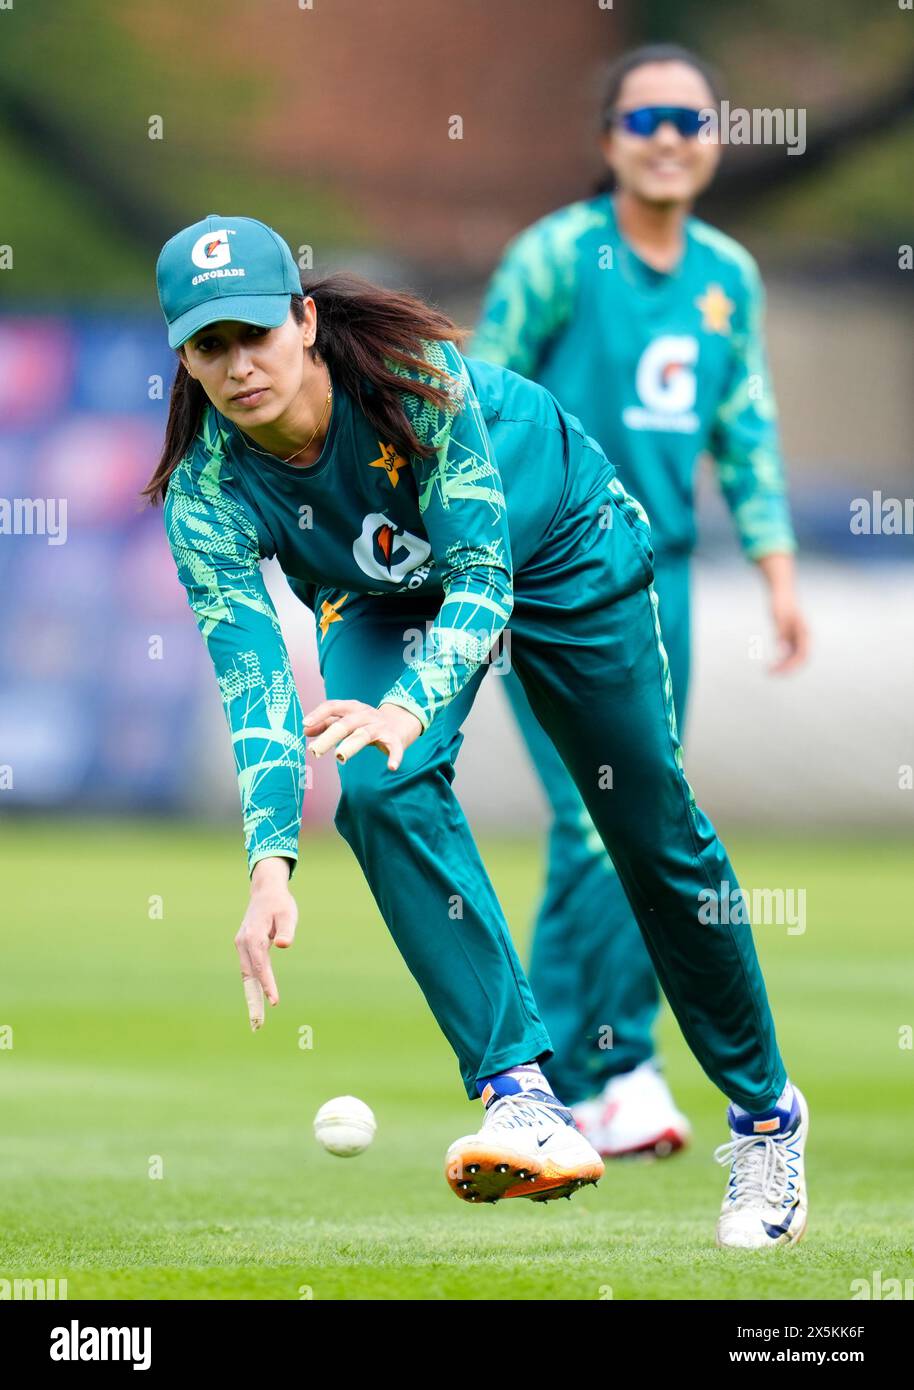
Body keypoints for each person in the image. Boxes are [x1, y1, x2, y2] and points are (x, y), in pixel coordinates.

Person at [147, 212, 808, 1245]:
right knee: (371, 783)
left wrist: (407, 703)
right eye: (209, 346)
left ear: (304, 321)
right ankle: (522, 1096)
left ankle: (766, 1116)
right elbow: (254, 687)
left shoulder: (419, 384)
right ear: (184, 358)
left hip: (559, 550)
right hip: (383, 596)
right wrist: (269, 860)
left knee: (647, 830)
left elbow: (482, 581)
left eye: (254, 335)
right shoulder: (206, 494)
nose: (238, 367)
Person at [472, 43, 809, 1160]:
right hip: (545, 577)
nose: (668, 137)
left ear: (714, 139)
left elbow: (744, 429)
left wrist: (774, 572)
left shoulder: (727, 274)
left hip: (657, 583)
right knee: (590, 817)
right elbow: (473, 401)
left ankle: (579, 1076)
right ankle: (598, 1069)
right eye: (645, 118)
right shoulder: (558, 255)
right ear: (608, 139)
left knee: (641, 819)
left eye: (690, 119)